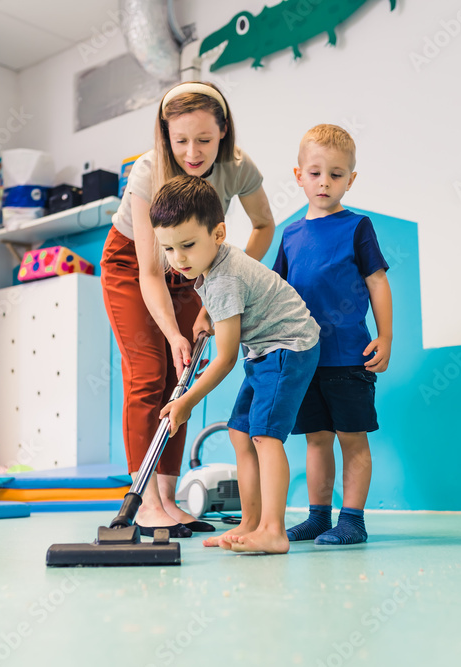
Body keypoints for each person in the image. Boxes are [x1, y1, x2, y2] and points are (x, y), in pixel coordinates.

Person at [101, 81, 275, 537]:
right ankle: (143, 502)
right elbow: (151, 272)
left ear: (223, 132)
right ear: (165, 136)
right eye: (180, 141)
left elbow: (263, 225)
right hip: (133, 265)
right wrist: (175, 333)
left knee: (181, 378)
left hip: (193, 268)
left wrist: (215, 294)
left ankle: (168, 498)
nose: (192, 153)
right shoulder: (147, 174)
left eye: (204, 139)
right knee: (149, 372)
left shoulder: (237, 168)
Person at [151, 175, 320, 554]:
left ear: (219, 233)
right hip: (263, 350)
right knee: (240, 434)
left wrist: (186, 402)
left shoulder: (225, 279)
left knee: (264, 436)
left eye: (188, 245)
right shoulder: (213, 267)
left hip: (287, 347)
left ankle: (273, 531)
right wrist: (205, 314)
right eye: (169, 249)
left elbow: (225, 359)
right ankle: (251, 522)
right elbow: (223, 300)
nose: (179, 259)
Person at [273, 124, 393, 545]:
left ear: (351, 180)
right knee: (316, 439)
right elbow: (276, 293)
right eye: (315, 172)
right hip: (304, 357)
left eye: (336, 174)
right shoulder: (289, 235)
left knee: (351, 439)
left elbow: (377, 282)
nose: (325, 182)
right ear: (298, 175)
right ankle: (318, 517)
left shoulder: (357, 227)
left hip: (348, 355)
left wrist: (386, 336)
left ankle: (353, 520)